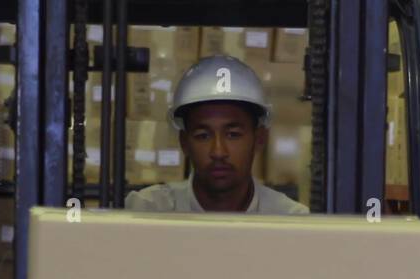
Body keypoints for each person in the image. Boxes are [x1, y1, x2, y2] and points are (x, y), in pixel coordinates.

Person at [125, 55, 308, 214]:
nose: (218, 152)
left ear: (259, 138)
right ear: (184, 143)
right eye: (203, 136)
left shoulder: (288, 219)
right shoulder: (149, 211)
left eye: (233, 134)